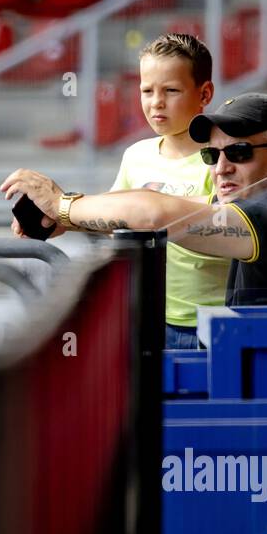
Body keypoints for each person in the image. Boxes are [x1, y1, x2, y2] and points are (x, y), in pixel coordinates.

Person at [2, 92, 267, 308]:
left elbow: (153, 212)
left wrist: (64, 205)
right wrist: (69, 221)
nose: (221, 168)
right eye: (212, 155)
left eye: (239, 152)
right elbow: (169, 209)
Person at [97, 33, 230, 348]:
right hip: (147, 317)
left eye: (171, 90)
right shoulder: (136, 156)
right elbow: (113, 218)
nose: (156, 101)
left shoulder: (222, 159)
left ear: (205, 93)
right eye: (147, 90)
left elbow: (228, 228)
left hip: (210, 324)